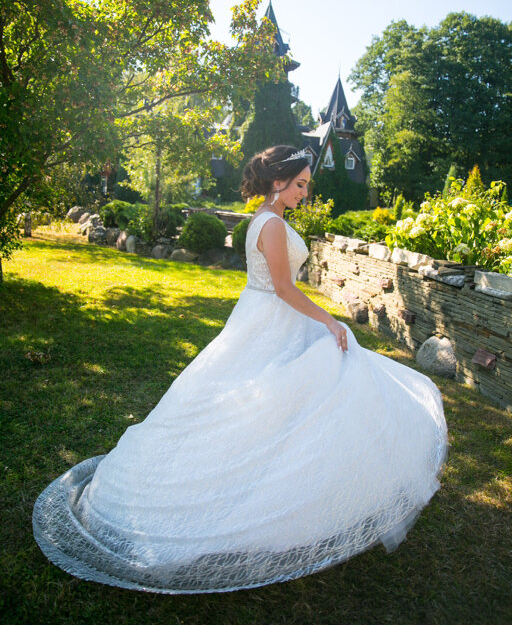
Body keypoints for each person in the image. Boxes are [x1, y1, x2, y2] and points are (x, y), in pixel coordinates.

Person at [33, 144, 448, 595]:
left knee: (289, 394)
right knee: (273, 394)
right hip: (271, 317)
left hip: (267, 317)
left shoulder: (267, 219)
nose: (305, 192)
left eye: (307, 185)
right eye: (300, 184)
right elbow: (284, 288)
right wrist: (330, 320)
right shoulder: (271, 224)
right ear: (278, 181)